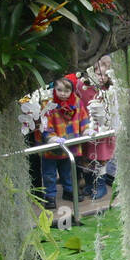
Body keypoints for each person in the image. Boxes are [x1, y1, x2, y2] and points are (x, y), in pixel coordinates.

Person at [39, 75, 88, 209]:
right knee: (49, 174)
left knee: (68, 171)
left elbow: (83, 118)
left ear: (71, 91)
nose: (63, 93)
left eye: (66, 91)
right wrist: (51, 137)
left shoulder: (77, 102)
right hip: (51, 147)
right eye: (59, 90)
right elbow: (44, 124)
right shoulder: (48, 104)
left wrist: (86, 130)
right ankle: (50, 196)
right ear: (54, 89)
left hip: (69, 145)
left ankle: (69, 191)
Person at [75, 55, 117, 200]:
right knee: (86, 157)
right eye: (98, 74)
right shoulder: (82, 86)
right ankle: (89, 184)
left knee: (100, 158)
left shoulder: (109, 88)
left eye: (105, 75)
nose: (102, 78)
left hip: (103, 129)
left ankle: (100, 185)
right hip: (86, 127)